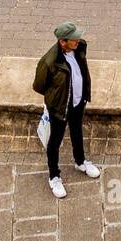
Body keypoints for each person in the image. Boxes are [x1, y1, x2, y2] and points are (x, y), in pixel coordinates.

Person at [33, 21, 100, 198]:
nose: (78, 40)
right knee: (54, 142)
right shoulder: (49, 61)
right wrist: (55, 99)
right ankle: (54, 176)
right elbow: (39, 86)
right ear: (63, 42)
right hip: (60, 107)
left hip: (78, 102)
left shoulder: (77, 49)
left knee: (77, 132)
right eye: (73, 38)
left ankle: (80, 161)